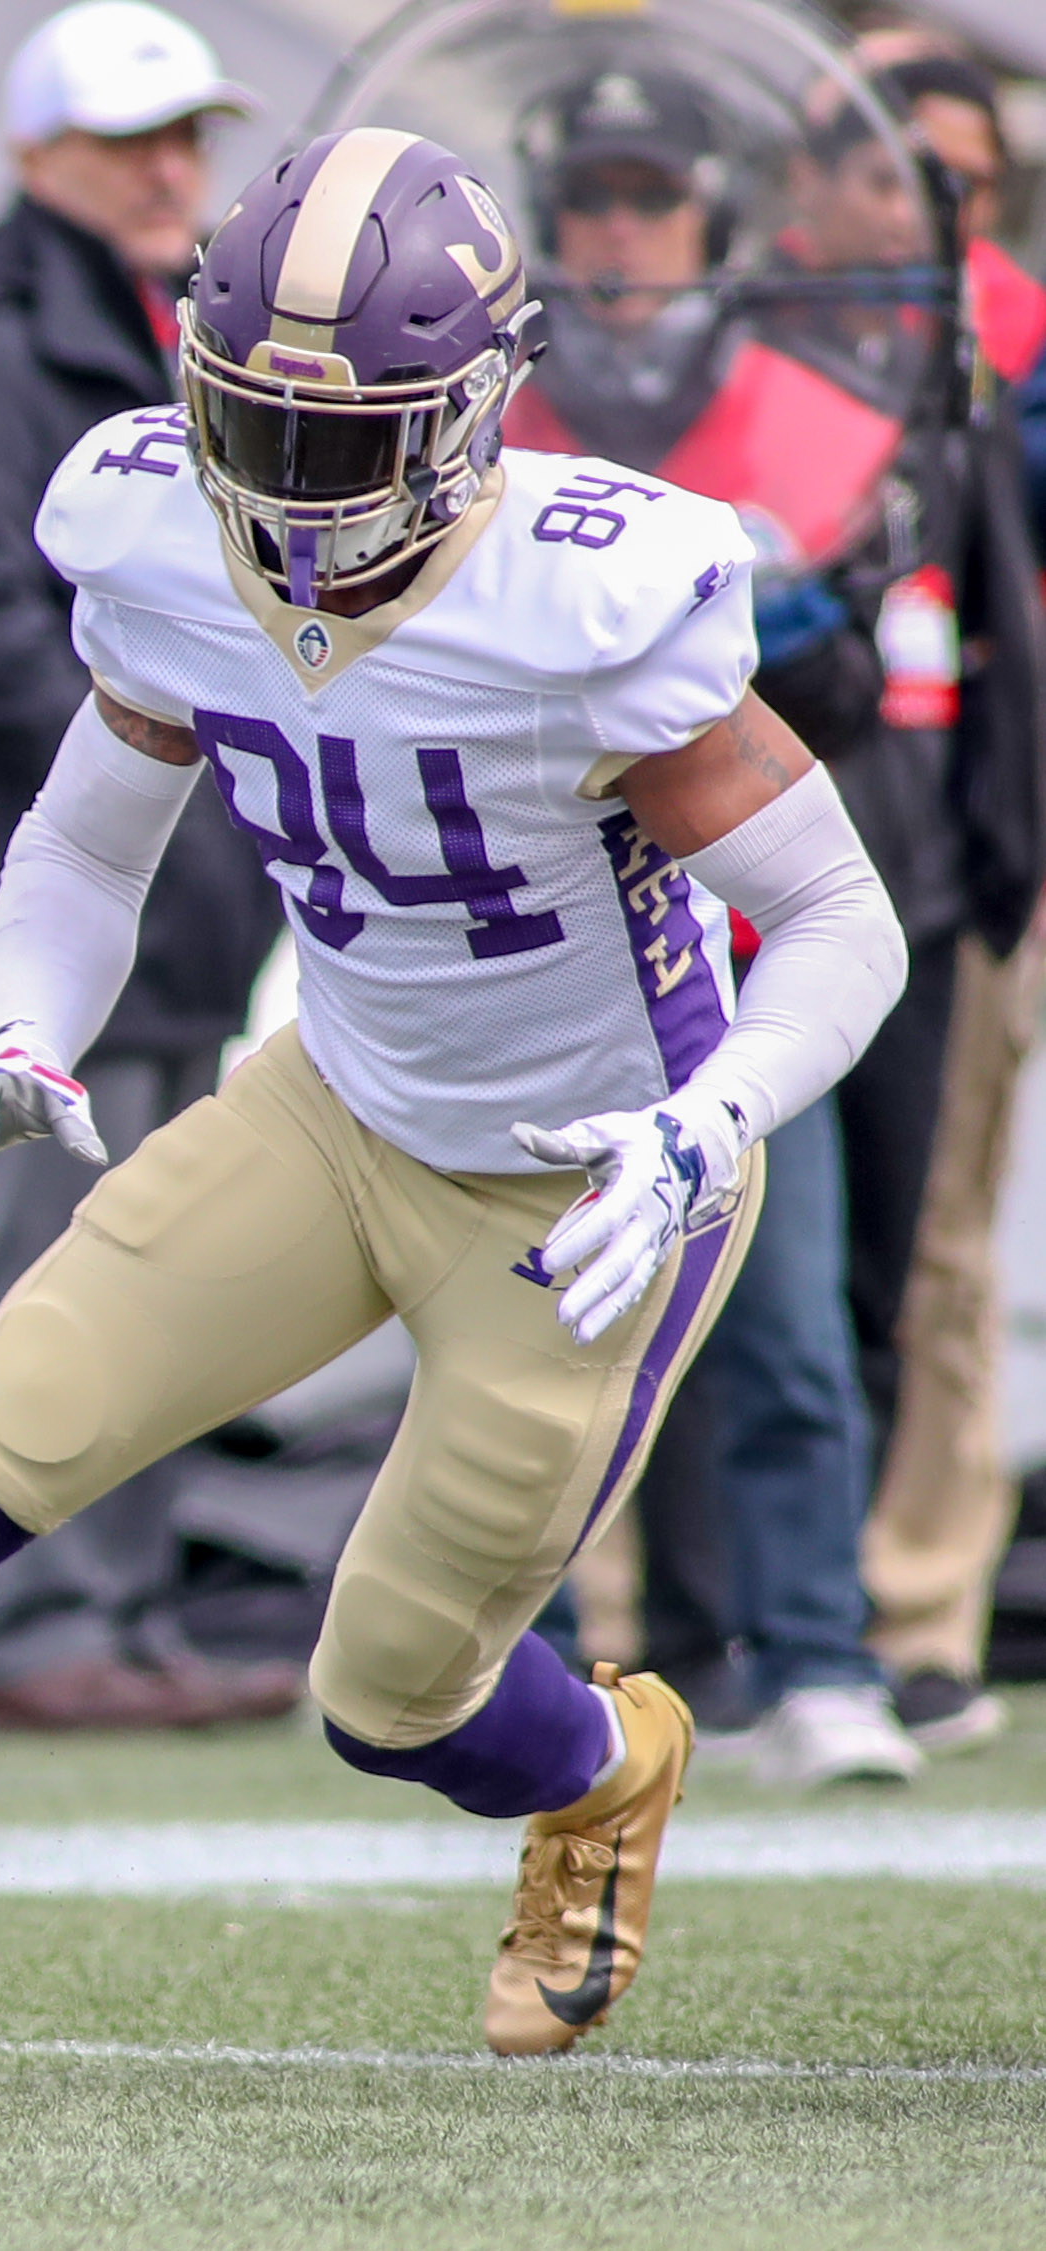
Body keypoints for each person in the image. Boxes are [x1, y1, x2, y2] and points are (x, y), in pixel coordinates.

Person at [0, 128, 908, 2055]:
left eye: (343, 440)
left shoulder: (587, 592)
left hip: (580, 1189)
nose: (283, 492)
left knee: (387, 1701)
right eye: (249, 427)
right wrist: (26, 1025)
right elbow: (85, 843)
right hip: (331, 1106)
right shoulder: (150, 532)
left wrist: (710, 1122)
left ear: (468, 414)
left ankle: (601, 1762)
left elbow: (834, 918)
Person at [0, 0, 292, 1728]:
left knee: (143, 1258)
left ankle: (109, 1607)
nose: (164, 173)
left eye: (182, 141)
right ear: (33, 159)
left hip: (176, 888)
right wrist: (152, 737)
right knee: (47, 1253)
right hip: (57, 885)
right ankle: (37, 1621)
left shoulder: (171, 329)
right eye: (126, 145)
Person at [507, 63, 924, 1786]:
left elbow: (843, 678)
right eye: (592, 201)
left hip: (728, 945)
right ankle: (507, 1661)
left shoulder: (806, 406)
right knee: (518, 1319)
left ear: (708, 221)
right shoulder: (494, 410)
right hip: (533, 940)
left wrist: (818, 608)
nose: (619, 234)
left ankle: (813, 1647)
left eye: (647, 200)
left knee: (784, 1317)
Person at [852, 49, 1046, 1750]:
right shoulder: (747, 327)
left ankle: (917, 1612)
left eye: (956, 176)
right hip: (779, 841)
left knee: (938, 1249)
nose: (926, 200)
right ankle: (655, 1612)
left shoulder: (1007, 334)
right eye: (897, 164)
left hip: (967, 835)